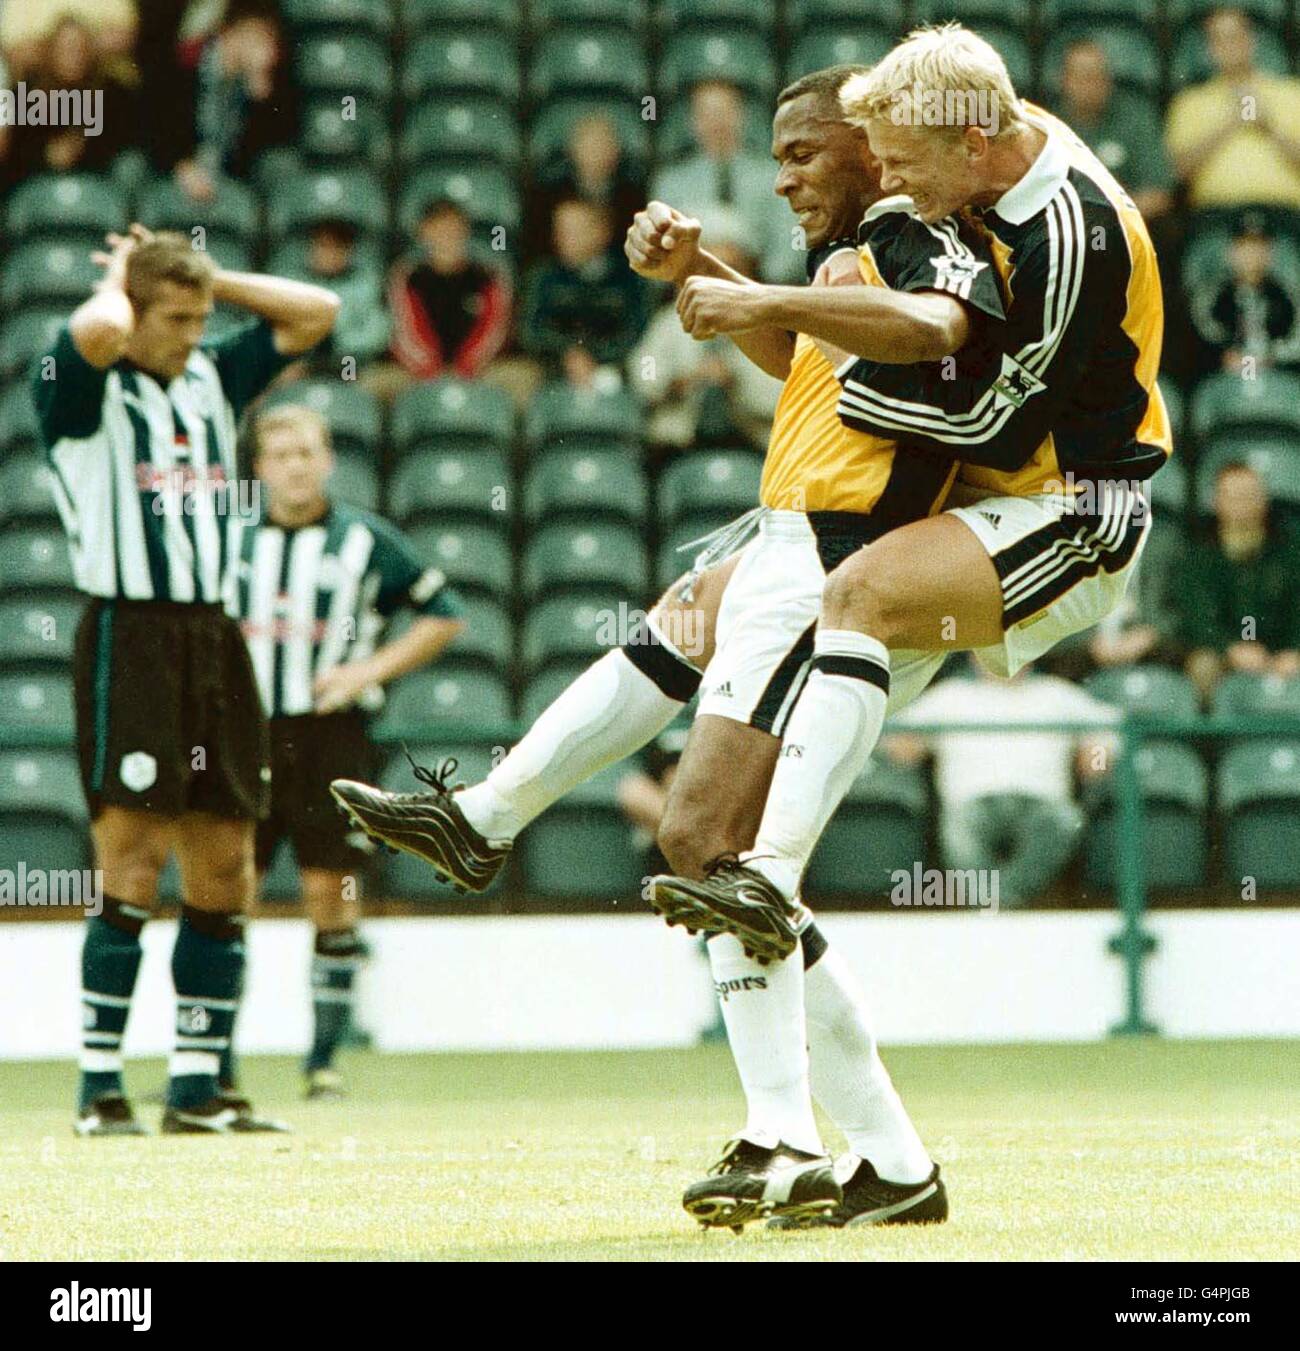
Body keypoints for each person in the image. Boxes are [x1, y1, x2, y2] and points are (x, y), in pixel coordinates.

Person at [333, 62, 1014, 1231]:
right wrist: (707, 276)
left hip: (847, 555)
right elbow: (817, 358)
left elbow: (931, 332)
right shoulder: (849, 253)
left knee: (704, 837)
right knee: (681, 636)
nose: (782, 173)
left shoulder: (908, 231)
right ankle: (886, 1161)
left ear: (870, 148)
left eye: (803, 152)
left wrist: (755, 296)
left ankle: (785, 1138)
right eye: (778, 152)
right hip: (795, 536)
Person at [648, 22, 1170, 1157]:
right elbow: (841, 363)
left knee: (860, 592)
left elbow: (987, 417)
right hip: (969, 512)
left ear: (975, 139)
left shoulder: (1070, 234)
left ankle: (772, 885)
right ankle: (874, 1157)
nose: (883, 181)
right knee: (706, 808)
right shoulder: (985, 165)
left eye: (899, 162)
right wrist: (753, 298)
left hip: (1074, 505)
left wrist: (804, 335)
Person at [31, 225, 338, 1135]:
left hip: (214, 634)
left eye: (202, 317)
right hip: (131, 632)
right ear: (132, 310)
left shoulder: (211, 373)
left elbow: (317, 313)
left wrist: (211, 280)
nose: (193, 334)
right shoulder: (84, 387)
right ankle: (99, 1089)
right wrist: (123, 288)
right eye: (175, 318)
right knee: (130, 860)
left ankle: (199, 1087)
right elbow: (89, 334)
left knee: (225, 861)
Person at [233, 404, 464, 1099]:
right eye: (281, 454)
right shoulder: (228, 539)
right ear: (259, 468)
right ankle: (211, 1063)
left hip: (333, 736)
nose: (296, 464)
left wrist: (366, 671)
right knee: (226, 889)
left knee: (328, 890)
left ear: (328, 459)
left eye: (307, 451)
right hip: (245, 737)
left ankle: (322, 1061)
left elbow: (443, 612)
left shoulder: (365, 538)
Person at [886, 662, 1118, 908]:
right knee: (958, 833)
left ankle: (994, 908)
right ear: (975, 655)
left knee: (1066, 821)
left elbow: (1108, 732)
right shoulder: (951, 695)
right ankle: (1001, 910)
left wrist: (1096, 757)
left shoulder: (1057, 693)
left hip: (1043, 804)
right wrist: (910, 746)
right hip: (971, 803)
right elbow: (900, 745)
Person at [629, 228, 781, 451]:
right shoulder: (670, 321)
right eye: (711, 269)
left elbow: (780, 396)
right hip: (678, 445)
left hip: (751, 444)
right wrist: (683, 381)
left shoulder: (768, 326)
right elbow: (643, 375)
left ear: (748, 273)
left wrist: (735, 381)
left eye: (731, 268)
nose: (719, 279)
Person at [1174, 461, 1300, 702]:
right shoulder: (1199, 556)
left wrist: (1295, 651)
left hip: (1281, 653)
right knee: (1203, 667)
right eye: (1233, 497)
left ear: (1264, 501)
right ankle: (1211, 740)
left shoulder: (1290, 553)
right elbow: (1196, 617)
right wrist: (1231, 648)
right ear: (1216, 502)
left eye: (1249, 496)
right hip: (1224, 653)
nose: (1242, 505)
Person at [652, 80, 802, 282]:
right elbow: (659, 253)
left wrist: (760, 282)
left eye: (725, 111)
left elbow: (792, 244)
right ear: (692, 120)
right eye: (706, 113)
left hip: (761, 291)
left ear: (742, 115)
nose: (717, 122)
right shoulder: (670, 182)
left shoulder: (775, 176)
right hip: (689, 290)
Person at [1164, 6, 1300, 211]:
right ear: (1209, 48)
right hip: (1216, 217)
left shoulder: (1291, 93)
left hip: (1283, 215)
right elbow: (1176, 173)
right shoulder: (1189, 102)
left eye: (1235, 37)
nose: (1228, 46)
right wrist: (1229, 125)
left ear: (1251, 41)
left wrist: (1270, 128)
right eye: (1218, 39)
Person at [518, 196, 649, 375]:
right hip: (552, 368)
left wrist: (593, 356)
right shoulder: (543, 276)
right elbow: (531, 331)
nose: (560, 238)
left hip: (615, 369)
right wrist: (568, 353)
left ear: (601, 233)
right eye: (559, 230)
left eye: (571, 232)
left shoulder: (630, 279)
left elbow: (637, 333)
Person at [387, 198, 511, 382]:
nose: (447, 235)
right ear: (423, 232)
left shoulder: (488, 275)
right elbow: (403, 332)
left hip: (479, 369)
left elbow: (495, 329)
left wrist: (466, 367)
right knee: (375, 381)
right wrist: (431, 371)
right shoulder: (407, 277)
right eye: (438, 228)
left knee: (520, 377)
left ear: (465, 230)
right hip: (420, 371)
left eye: (453, 228)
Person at [1052, 38, 1173, 222]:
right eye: (1082, 77)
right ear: (1064, 80)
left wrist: (1109, 214)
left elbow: (1159, 195)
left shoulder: (1136, 118)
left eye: (1097, 76)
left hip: (1125, 229)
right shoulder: (1047, 127)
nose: (1090, 85)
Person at [1188, 216, 1300, 375]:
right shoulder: (1210, 295)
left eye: (1259, 248)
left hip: (1277, 379)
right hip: (1224, 381)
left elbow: (1296, 343)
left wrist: (1267, 357)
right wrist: (1228, 358)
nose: (1251, 255)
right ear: (1231, 253)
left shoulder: (1288, 296)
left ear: (1270, 254)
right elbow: (1201, 342)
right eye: (1244, 248)